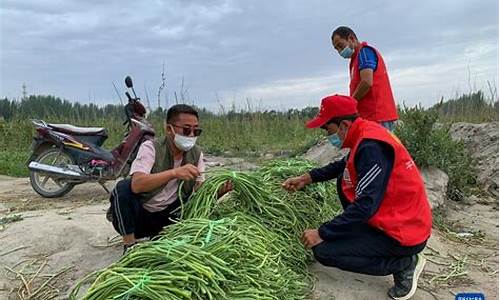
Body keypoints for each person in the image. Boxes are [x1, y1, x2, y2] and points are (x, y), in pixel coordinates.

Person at [282, 95, 431, 300]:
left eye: (328, 129)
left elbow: (364, 206)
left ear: (343, 124)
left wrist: (322, 232)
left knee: (324, 251)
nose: (327, 136)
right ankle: (397, 255)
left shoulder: (371, 147)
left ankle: (405, 263)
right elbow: (344, 164)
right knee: (336, 229)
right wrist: (307, 178)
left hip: (403, 232)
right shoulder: (366, 133)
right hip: (394, 218)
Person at [108, 104, 231, 253]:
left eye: (196, 130)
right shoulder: (151, 147)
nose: (191, 135)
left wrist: (218, 192)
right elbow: (137, 185)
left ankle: (163, 235)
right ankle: (129, 245)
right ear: (169, 129)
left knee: (189, 201)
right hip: (139, 218)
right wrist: (174, 173)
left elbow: (199, 192)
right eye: (186, 130)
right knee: (124, 187)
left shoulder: (196, 154)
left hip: (170, 219)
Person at [331, 26, 398, 131]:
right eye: (337, 49)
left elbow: (367, 82)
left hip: (378, 115)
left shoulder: (365, 53)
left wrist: (350, 103)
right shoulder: (355, 59)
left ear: (351, 38)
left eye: (340, 46)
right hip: (369, 116)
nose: (340, 51)